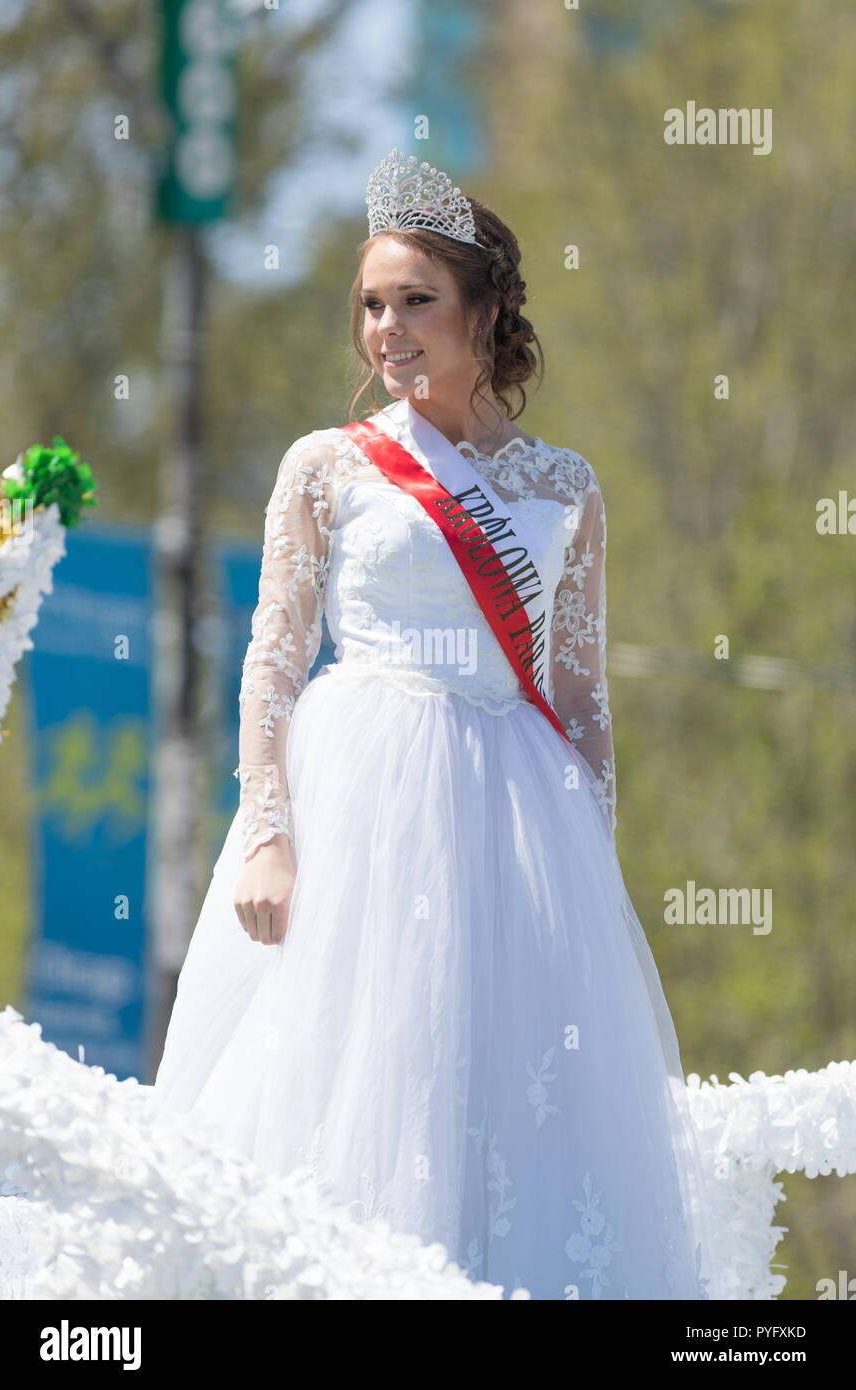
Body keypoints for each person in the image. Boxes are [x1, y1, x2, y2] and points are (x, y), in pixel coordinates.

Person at [153, 148, 721, 1300]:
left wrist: (588, 870)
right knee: (353, 1074)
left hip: (517, 814)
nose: (386, 329)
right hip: (360, 787)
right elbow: (271, 658)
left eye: (415, 300)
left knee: (509, 1103)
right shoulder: (328, 466)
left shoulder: (566, 486)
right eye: (370, 304)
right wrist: (265, 827)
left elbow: (576, 697)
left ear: (484, 309)